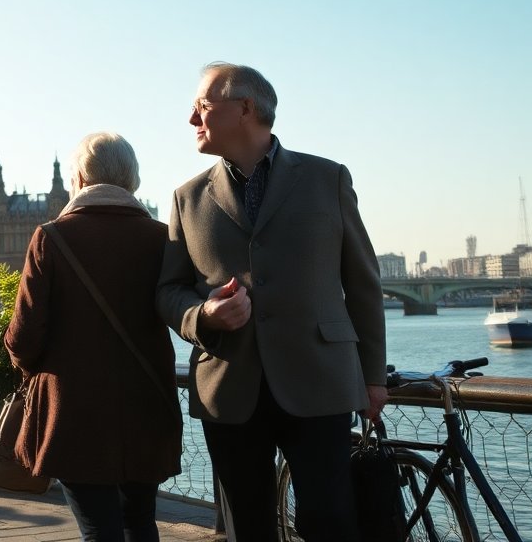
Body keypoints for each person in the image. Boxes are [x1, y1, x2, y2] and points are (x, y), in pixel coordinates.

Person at [156, 63, 386, 542]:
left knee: (331, 522)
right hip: (229, 388)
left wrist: (373, 377)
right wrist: (205, 315)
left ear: (245, 109)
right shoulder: (186, 198)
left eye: (201, 105)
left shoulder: (328, 179)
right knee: (246, 527)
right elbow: (168, 291)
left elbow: (363, 283)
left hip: (320, 380)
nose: (190, 118)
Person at [4, 132, 181, 540]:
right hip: (147, 407)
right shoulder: (163, 238)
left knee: (99, 529)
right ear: (131, 180)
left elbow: (25, 337)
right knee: (140, 522)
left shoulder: (51, 237)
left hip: (75, 415)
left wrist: (22, 359)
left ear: (80, 179)